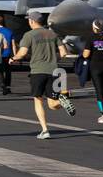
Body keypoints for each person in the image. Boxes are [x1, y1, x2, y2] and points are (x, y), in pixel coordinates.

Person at [11, 11, 75, 139]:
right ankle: (62, 101)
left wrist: (13, 58)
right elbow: (63, 53)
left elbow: (22, 53)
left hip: (38, 71)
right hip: (54, 71)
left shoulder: (29, 35)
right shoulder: (53, 34)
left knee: (38, 99)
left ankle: (45, 130)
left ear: (32, 21)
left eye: (29, 20)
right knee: (52, 104)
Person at [82, 19, 103, 125]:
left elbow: (86, 55)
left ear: (94, 27)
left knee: (100, 91)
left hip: (96, 68)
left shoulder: (91, 38)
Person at [0, 18, 14, 94]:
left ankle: (3, 87)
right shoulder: (9, 31)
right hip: (8, 54)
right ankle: (8, 87)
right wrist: (14, 56)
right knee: (8, 71)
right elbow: (13, 44)